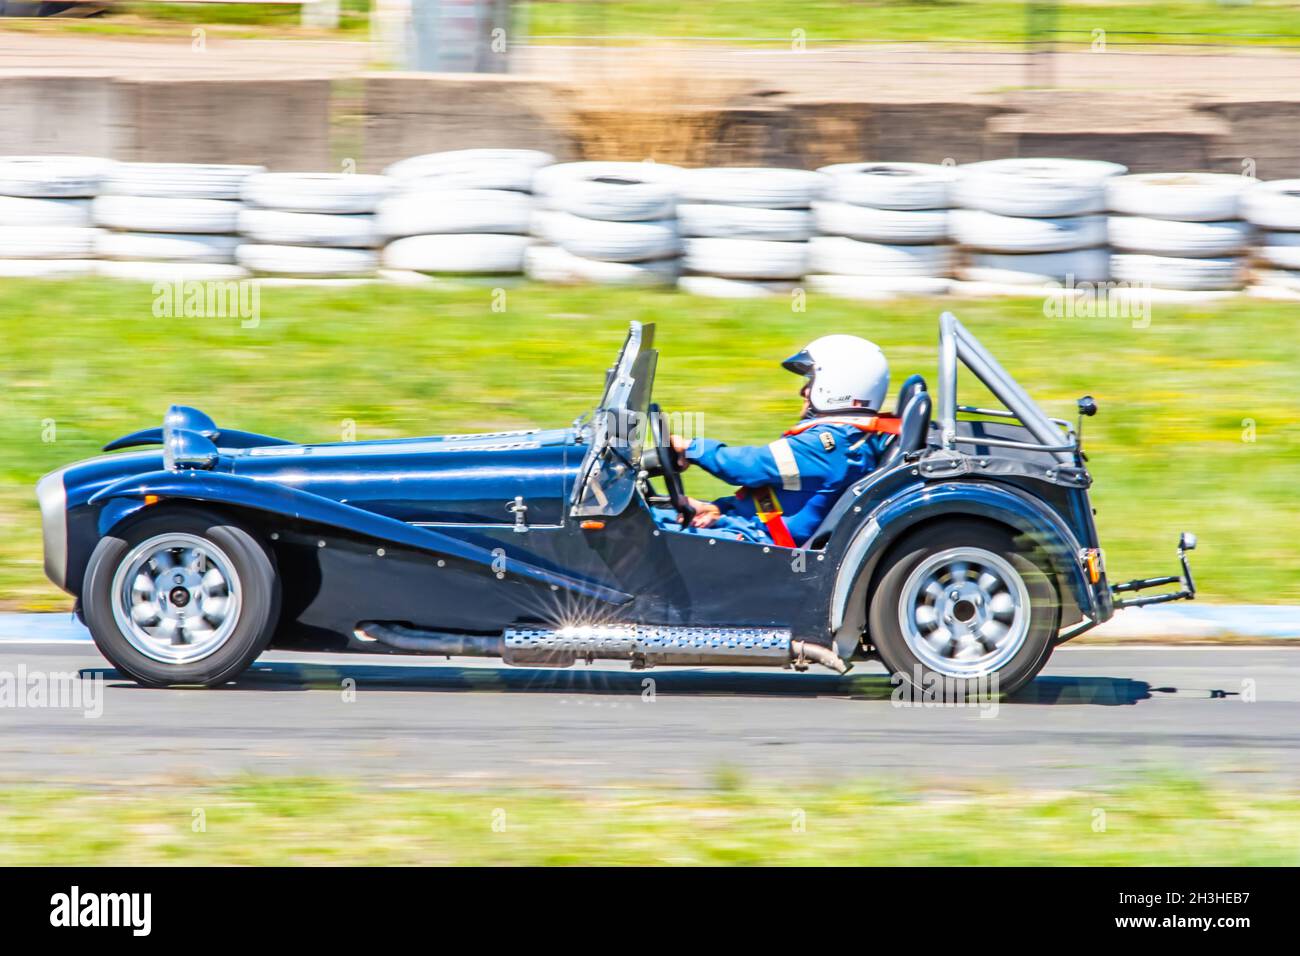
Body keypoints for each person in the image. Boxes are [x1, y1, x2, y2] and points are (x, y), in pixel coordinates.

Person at [658, 334, 899, 548]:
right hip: (747, 527)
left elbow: (749, 467)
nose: (803, 391)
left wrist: (691, 448)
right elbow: (777, 496)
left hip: (757, 542)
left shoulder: (828, 445)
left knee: (638, 532)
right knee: (655, 516)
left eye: (810, 382)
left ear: (838, 386)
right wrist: (719, 509)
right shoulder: (851, 441)